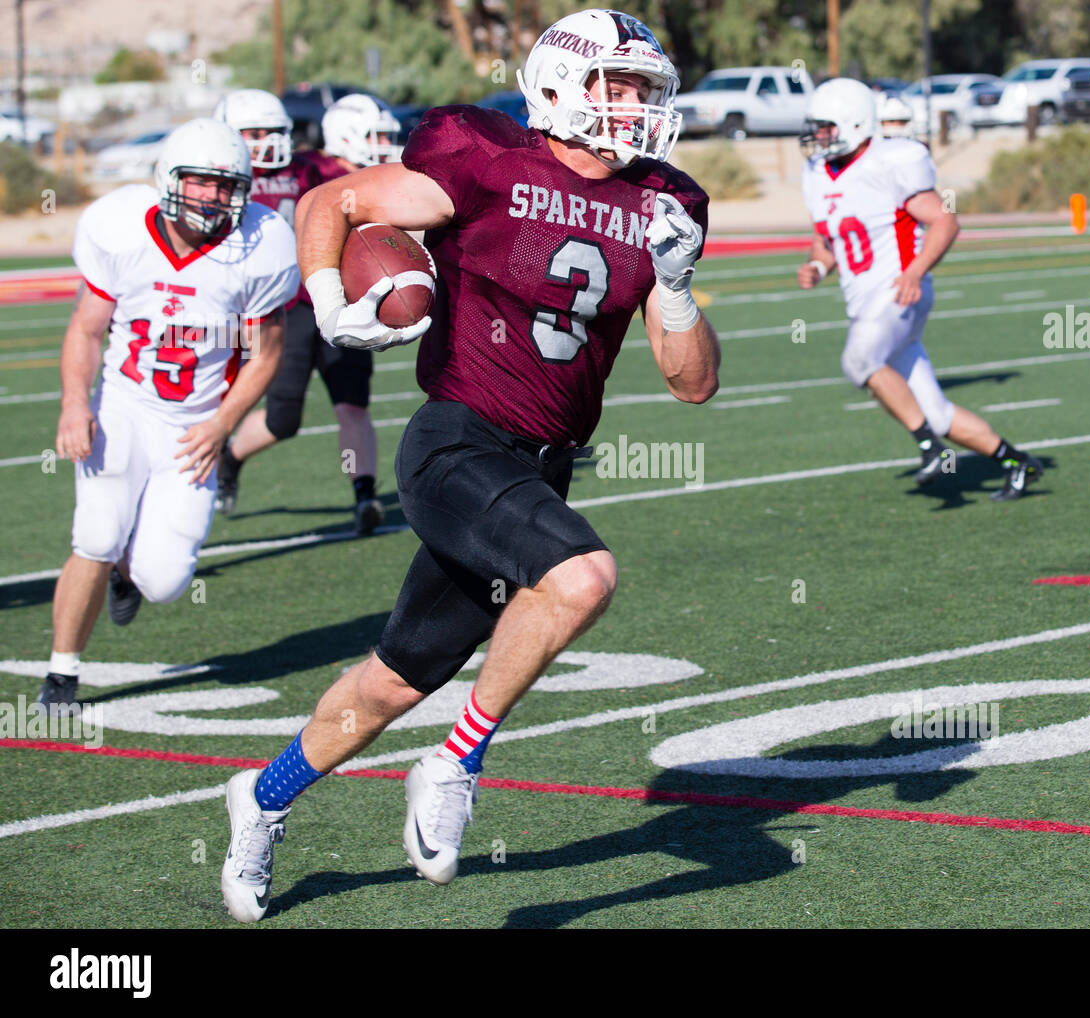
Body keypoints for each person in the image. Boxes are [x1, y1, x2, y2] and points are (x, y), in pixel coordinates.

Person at [220, 8, 720, 922]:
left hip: (539, 470)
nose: (637, 107)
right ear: (561, 85)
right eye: (618, 85)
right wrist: (331, 302)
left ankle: (261, 796)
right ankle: (456, 761)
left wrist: (678, 291)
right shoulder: (484, 154)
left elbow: (692, 386)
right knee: (583, 577)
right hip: (456, 440)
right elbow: (331, 202)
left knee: (390, 681)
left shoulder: (666, 202)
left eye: (647, 89)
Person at [39, 118, 298, 707]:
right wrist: (76, 404)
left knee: (164, 580)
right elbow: (85, 331)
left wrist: (222, 423)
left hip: (194, 422)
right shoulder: (122, 231)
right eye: (200, 181)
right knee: (97, 534)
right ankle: (62, 673)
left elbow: (266, 355)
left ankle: (127, 576)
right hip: (125, 406)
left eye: (224, 184)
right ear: (169, 180)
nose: (210, 195)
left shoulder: (257, 249)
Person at [796, 78, 1044, 501]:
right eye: (816, 127)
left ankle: (929, 448)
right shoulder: (818, 173)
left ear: (854, 124)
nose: (819, 136)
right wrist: (818, 266)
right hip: (869, 302)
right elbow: (829, 237)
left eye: (827, 127)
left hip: (899, 291)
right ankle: (1015, 462)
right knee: (938, 412)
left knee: (858, 361)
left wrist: (914, 272)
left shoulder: (889, 161)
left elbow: (945, 220)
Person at [214, 92, 404, 534]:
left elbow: (352, 171)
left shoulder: (309, 168)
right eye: (254, 134)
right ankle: (230, 455)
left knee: (352, 406)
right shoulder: (228, 179)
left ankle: (364, 495)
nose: (265, 143)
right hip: (286, 310)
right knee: (283, 419)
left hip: (339, 301)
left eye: (273, 133)